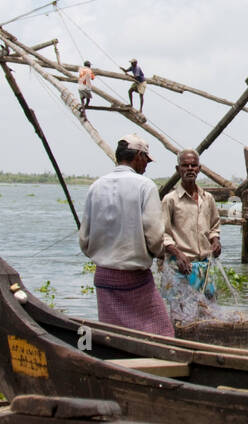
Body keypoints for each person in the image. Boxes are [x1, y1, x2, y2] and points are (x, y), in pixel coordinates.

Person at [78, 134, 173, 336]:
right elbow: (154, 236)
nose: (146, 166)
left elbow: (84, 239)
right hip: (135, 278)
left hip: (104, 276)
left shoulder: (96, 186)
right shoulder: (145, 186)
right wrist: (158, 253)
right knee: (161, 333)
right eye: (146, 160)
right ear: (138, 156)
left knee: (114, 336)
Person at [160, 149, 223, 295]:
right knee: (180, 306)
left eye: (193, 165)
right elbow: (163, 234)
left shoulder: (207, 198)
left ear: (199, 169)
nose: (190, 169)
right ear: (178, 169)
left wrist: (215, 241)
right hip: (180, 266)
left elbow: (214, 226)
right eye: (185, 165)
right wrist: (178, 254)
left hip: (205, 266)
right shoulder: (170, 200)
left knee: (208, 306)